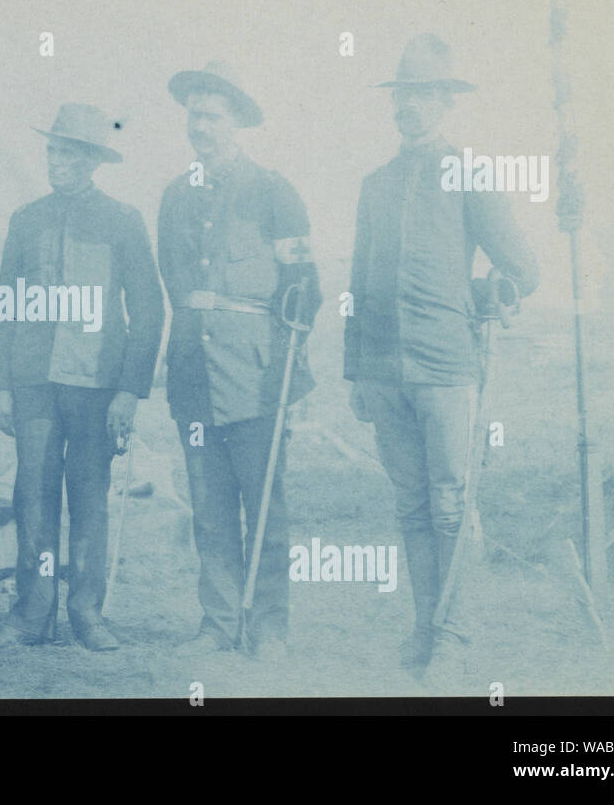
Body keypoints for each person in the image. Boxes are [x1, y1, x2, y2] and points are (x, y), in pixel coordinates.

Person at [345, 34, 539, 674]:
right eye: (403, 94)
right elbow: (357, 281)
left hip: (447, 367)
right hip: (382, 371)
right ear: (393, 102)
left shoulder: (469, 173)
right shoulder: (375, 184)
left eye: (425, 95)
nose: (411, 106)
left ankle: (453, 636)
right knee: (410, 505)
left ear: (445, 103)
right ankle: (425, 629)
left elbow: (523, 268)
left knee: (451, 503)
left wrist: (484, 293)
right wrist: (355, 371)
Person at [157, 61, 320, 660]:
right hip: (195, 377)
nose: (201, 126)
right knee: (209, 505)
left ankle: (270, 625)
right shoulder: (174, 196)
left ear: (235, 123)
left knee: (264, 504)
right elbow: (173, 285)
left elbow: (305, 289)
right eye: (194, 115)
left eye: (212, 116)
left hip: (256, 378)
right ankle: (218, 623)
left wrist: (285, 370)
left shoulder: (273, 191)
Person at [0, 103, 164, 651]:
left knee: (88, 495)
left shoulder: (122, 220)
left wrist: (129, 391)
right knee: (33, 496)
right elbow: (6, 306)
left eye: (67, 152)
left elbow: (149, 309)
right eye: (51, 150)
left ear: (91, 160)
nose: (55, 161)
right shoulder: (26, 219)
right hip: (34, 383)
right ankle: (32, 613)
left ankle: (86, 614)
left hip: (95, 387)